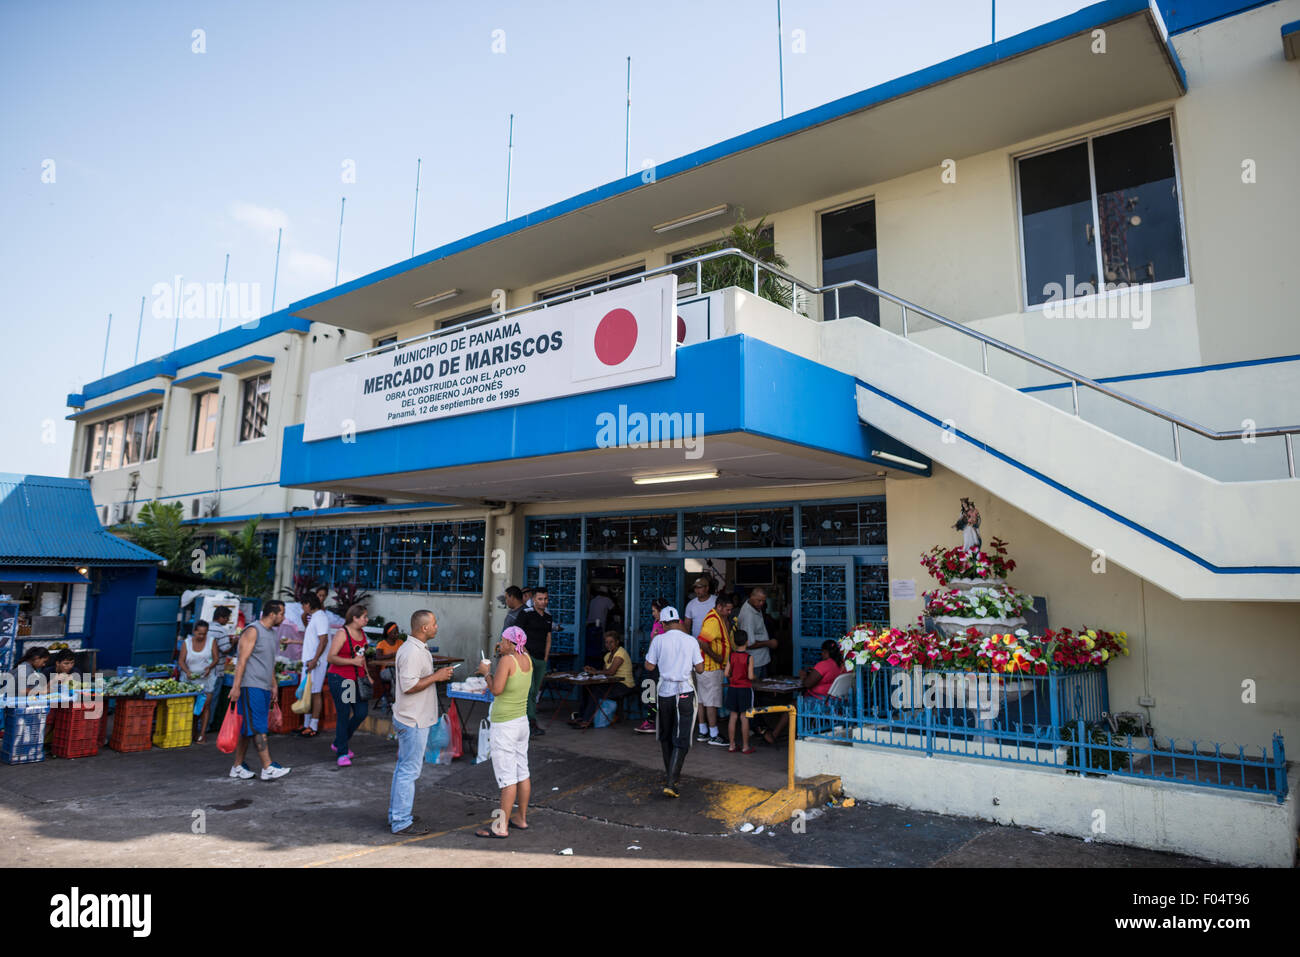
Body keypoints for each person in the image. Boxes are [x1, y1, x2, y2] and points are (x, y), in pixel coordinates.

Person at [388, 610, 455, 835]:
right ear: (424, 628)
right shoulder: (411, 652)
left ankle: (397, 814)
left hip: (413, 718)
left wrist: (436, 675)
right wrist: (437, 677)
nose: (437, 626)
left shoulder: (417, 649)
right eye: (434, 623)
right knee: (409, 771)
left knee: (404, 769)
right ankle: (400, 820)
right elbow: (409, 686)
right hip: (412, 720)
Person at [475, 626, 533, 838]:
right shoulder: (527, 657)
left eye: (502, 640)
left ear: (510, 642)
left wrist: (486, 673)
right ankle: (521, 817)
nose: (500, 644)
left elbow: (497, 690)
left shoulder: (508, 660)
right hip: (521, 722)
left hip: (505, 724)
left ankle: (501, 827)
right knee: (522, 772)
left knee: (508, 778)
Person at [643, 606, 703, 798]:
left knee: (666, 734)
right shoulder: (691, 640)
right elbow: (700, 669)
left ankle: (670, 776)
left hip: (665, 693)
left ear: (662, 623)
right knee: (682, 737)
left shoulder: (658, 640)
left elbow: (649, 665)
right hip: (685, 692)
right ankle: (671, 781)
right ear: (679, 621)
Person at [228, 601, 291, 781]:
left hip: (263, 686)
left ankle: (237, 766)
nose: (283, 617)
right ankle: (267, 767)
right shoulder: (252, 630)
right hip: (250, 686)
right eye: (282, 614)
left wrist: (274, 685)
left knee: (248, 728)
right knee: (258, 727)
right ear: (272, 614)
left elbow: (269, 662)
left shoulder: (272, 633)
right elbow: (242, 661)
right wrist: (236, 687)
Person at [764, 640, 847, 744]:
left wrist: (803, 676)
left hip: (822, 703)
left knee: (792, 705)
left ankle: (774, 734)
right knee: (799, 700)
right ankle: (799, 731)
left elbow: (808, 684)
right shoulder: (843, 665)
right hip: (837, 702)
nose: (821, 655)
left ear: (825, 652)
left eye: (822, 652)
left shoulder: (824, 665)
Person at [326, 604, 370, 767]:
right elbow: (331, 657)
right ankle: (342, 752)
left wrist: (368, 676)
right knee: (344, 714)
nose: (366, 619)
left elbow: (362, 658)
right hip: (342, 679)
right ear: (355, 618)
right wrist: (352, 661)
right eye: (364, 617)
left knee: (361, 712)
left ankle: (339, 741)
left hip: (358, 679)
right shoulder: (342, 633)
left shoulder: (362, 633)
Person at [571, 631, 634, 728]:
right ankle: (581, 716)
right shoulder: (607, 656)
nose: (608, 645)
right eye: (606, 642)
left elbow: (611, 672)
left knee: (596, 692)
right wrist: (593, 670)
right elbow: (605, 673)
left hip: (624, 684)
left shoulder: (621, 653)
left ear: (617, 642)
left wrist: (596, 672)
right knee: (587, 688)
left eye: (611, 642)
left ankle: (586, 721)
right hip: (613, 683)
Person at [695, 595, 733, 746]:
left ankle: (703, 731)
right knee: (710, 701)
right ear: (719, 607)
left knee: (703, 701)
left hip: (706, 667)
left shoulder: (718, 618)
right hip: (711, 667)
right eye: (728, 609)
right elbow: (703, 642)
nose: (729, 612)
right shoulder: (713, 620)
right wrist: (717, 657)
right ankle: (713, 734)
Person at [516, 586, 551, 737]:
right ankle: (529, 723)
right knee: (528, 691)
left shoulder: (548, 617)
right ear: (533, 600)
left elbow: (548, 637)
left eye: (546, 599)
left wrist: (546, 657)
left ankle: (530, 723)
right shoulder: (526, 614)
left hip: (541, 659)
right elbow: (517, 635)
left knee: (534, 692)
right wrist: (525, 654)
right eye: (540, 599)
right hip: (526, 659)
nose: (543, 602)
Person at [180, 621, 220, 743]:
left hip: (206, 679)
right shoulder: (186, 643)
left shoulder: (211, 641)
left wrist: (209, 667)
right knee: (191, 707)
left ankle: (202, 733)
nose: (202, 636)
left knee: (205, 706)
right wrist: (187, 671)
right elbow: (181, 661)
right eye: (199, 633)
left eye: (204, 633)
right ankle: (192, 731)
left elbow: (216, 658)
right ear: (194, 632)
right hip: (189, 680)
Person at [298, 593, 330, 737]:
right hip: (310, 661)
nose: (302, 607)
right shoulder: (315, 617)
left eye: (304, 604)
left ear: (309, 604)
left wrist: (314, 659)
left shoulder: (321, 617)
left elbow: (323, 641)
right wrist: (303, 617)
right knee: (307, 693)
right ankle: (306, 724)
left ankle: (313, 726)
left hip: (316, 662)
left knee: (315, 693)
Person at [635, 598, 667, 734]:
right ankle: (651, 720)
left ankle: (654, 721)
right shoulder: (656, 623)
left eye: (654, 611)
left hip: (662, 665)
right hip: (653, 663)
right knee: (650, 691)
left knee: (657, 693)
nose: (653, 613)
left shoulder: (668, 626)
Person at [725, 631, 756, 753]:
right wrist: (754, 677)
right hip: (744, 689)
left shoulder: (731, 656)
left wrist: (733, 677)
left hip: (733, 688)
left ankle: (731, 745)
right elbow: (750, 676)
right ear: (747, 642)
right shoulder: (749, 657)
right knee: (744, 717)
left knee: (733, 716)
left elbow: (726, 673)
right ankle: (745, 746)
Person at [737, 587, 776, 680]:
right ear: (751, 596)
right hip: (755, 662)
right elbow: (749, 643)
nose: (761, 603)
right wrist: (769, 643)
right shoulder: (748, 615)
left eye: (763, 601)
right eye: (759, 600)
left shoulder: (754, 606)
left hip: (762, 659)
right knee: (756, 690)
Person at [370, 622, 404, 711]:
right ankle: (396, 700)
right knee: (395, 675)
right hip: (385, 671)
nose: (397, 634)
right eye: (395, 632)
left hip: (399, 670)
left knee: (400, 674)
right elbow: (378, 657)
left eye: (397, 632)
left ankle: (403, 700)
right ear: (388, 633)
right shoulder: (382, 644)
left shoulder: (400, 642)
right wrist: (393, 655)